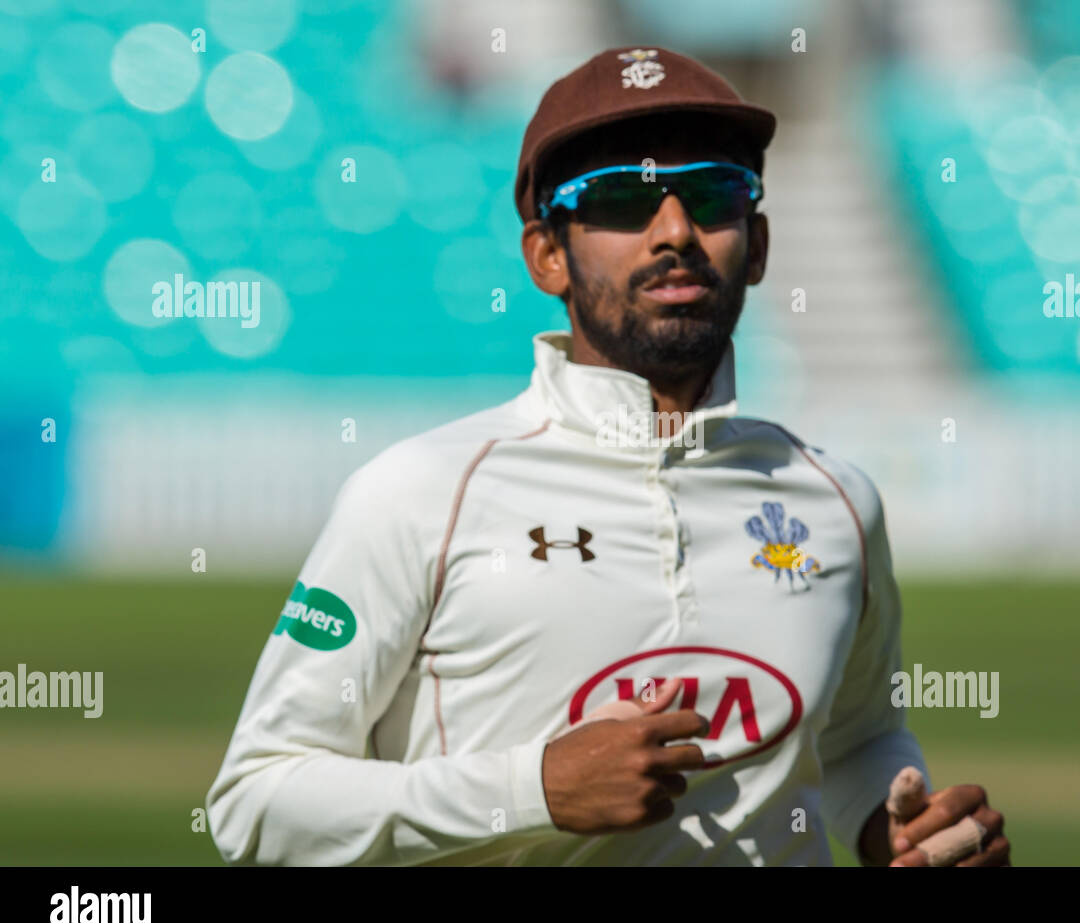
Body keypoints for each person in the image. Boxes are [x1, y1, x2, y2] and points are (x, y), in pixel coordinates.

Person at [207, 45, 1008, 867]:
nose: (674, 232)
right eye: (623, 199)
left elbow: (855, 740)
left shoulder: (836, 499)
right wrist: (535, 790)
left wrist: (893, 826)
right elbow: (255, 803)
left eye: (711, 194)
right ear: (547, 255)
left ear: (758, 243)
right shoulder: (417, 492)